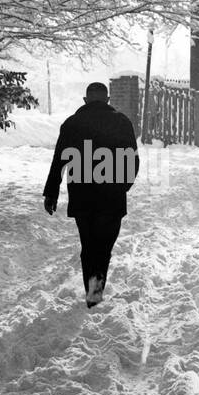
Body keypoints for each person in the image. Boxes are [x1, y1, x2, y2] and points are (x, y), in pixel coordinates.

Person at [43, 82, 139, 307]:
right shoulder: (122, 123)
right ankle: (95, 292)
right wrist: (122, 186)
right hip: (111, 196)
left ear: (85, 100)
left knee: (88, 245)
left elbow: (59, 161)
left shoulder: (72, 124)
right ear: (108, 100)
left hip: (82, 195)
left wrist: (51, 194)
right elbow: (133, 160)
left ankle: (92, 292)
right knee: (103, 247)